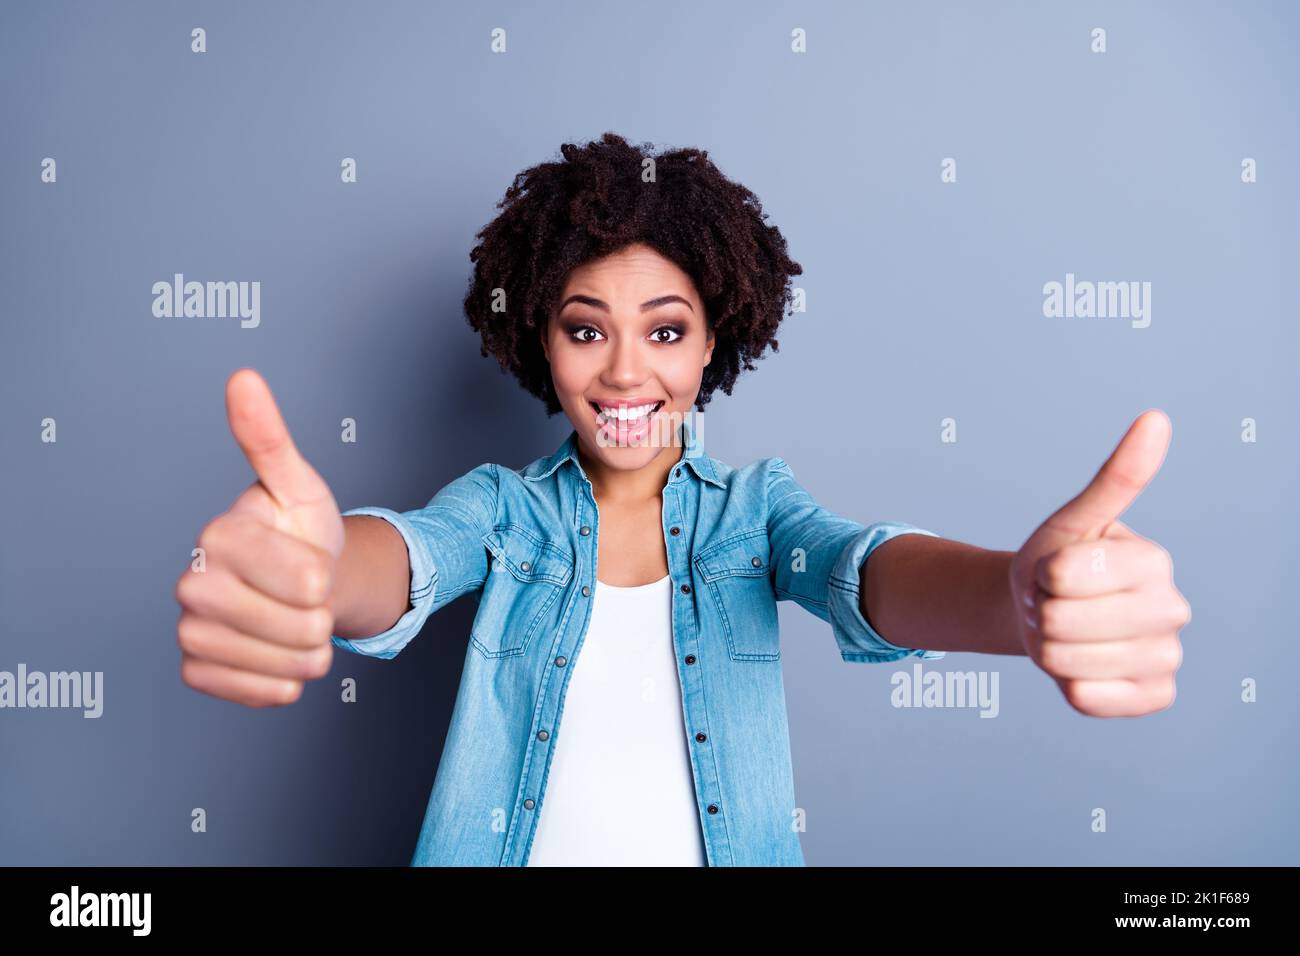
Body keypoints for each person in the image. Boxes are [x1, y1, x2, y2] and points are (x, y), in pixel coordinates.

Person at [174, 132, 1191, 866]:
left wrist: (1011, 599)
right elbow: (402, 558)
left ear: (716, 339)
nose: (623, 372)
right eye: (584, 328)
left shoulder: (755, 514)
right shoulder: (504, 511)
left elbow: (863, 572)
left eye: (664, 330)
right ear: (538, 338)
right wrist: (311, 576)